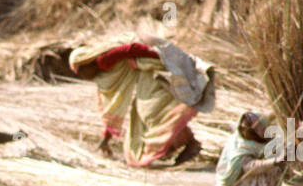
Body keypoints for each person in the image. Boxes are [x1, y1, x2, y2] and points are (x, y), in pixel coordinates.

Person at [69, 37, 215, 168]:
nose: (83, 76)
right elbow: (112, 108)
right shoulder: (103, 73)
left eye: (81, 71)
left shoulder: (103, 61)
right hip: (147, 72)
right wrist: (106, 138)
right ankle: (181, 145)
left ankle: (186, 144)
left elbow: (131, 48)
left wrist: (161, 57)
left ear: (86, 62)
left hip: (153, 66)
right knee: (142, 113)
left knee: (150, 111)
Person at [212, 110, 286, 186]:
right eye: (243, 129)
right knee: (265, 172)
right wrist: (274, 162)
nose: (245, 131)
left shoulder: (265, 143)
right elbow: (250, 167)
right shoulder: (239, 146)